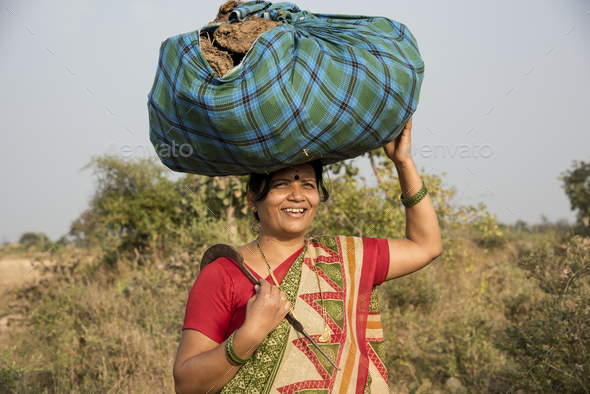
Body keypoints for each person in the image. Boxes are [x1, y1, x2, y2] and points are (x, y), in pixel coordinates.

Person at [173, 116, 443, 393]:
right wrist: (251, 333)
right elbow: (187, 385)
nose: (297, 196)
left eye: (308, 185)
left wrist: (403, 162)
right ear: (253, 198)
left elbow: (426, 246)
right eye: (281, 184)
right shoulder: (223, 274)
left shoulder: (346, 257)